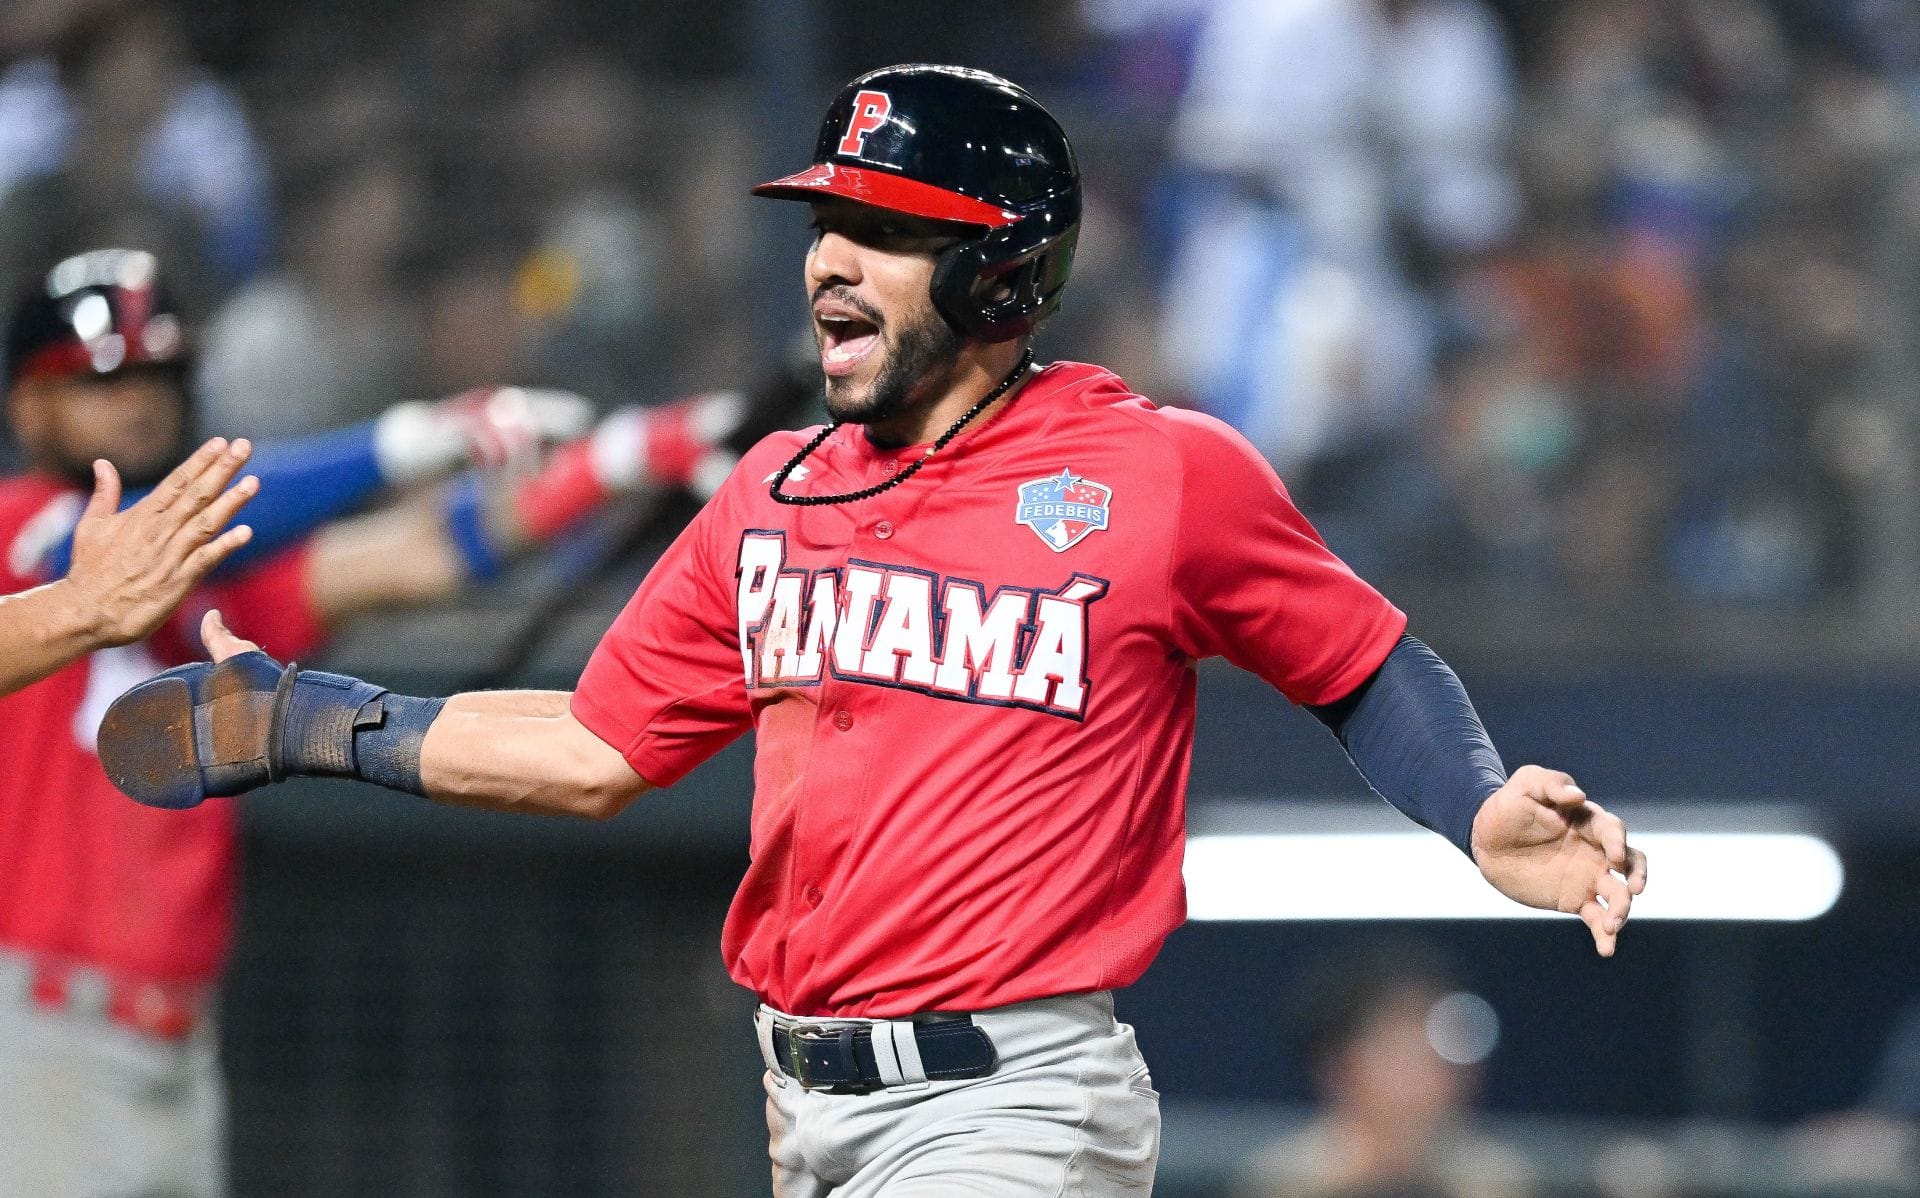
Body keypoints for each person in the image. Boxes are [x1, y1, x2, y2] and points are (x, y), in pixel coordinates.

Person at [101, 66, 1650, 1197]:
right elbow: (593, 746)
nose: (829, 258)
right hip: (805, 1106)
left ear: (1000, 266)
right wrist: (317, 718)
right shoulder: (771, 492)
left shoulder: (1160, 473)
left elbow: (1361, 662)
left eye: (884, 227)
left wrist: (1474, 797)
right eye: (828, 221)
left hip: (1013, 1102)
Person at [0, 246, 740, 1198]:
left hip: (175, 1046)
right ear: (27, 406)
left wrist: (614, 460)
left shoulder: (210, 590)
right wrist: (401, 440)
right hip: (35, 1028)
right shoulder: (22, 533)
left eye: (157, 375)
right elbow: (124, 545)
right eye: (100, 381)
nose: (137, 402)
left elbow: (422, 552)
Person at [1235, 940, 1534, 1198]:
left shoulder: (1494, 1181)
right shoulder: (1285, 1181)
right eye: (1403, 1053)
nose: (1436, 1074)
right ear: (1342, 1067)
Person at [0, 434, 255, 695]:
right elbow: (55, 553)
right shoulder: (20, 512)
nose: (137, 413)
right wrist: (82, 604)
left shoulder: (156, 561)